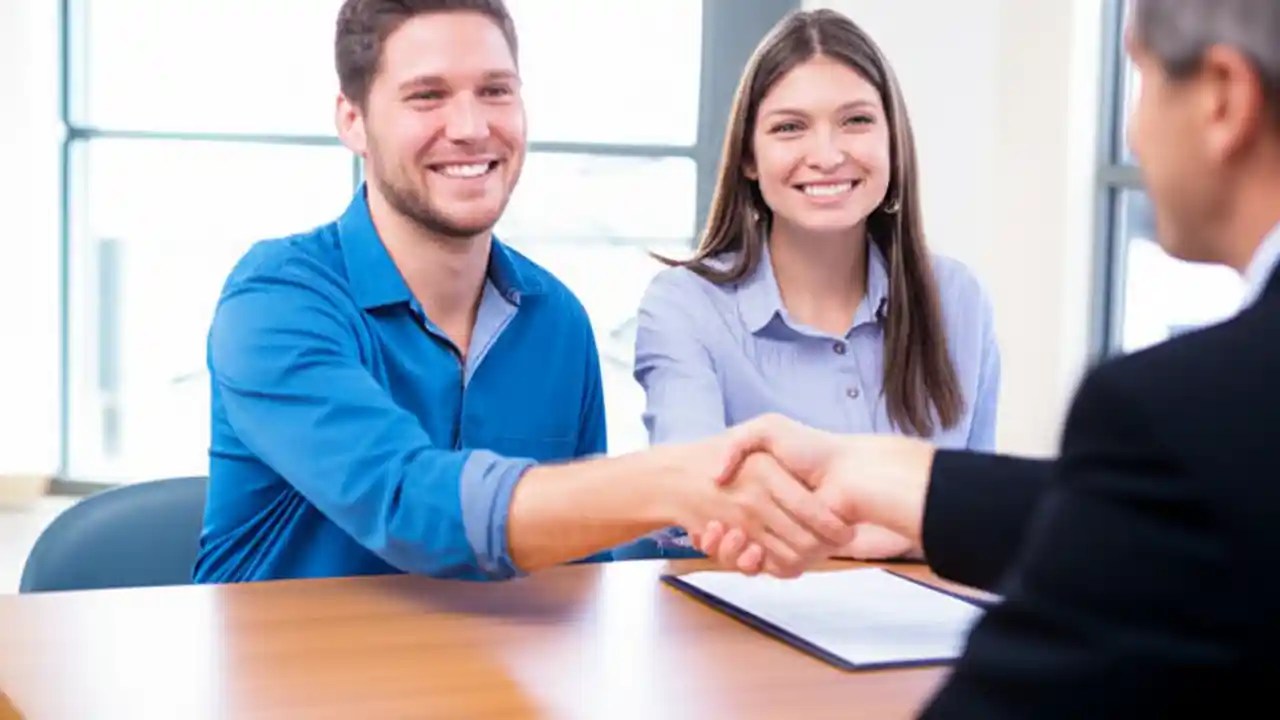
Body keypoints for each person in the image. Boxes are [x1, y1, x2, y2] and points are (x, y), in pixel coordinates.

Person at [700, 0, 1280, 714]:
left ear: (1223, 97)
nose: (1131, 129)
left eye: (1143, 80)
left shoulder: (1172, 413)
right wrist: (911, 485)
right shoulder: (1206, 433)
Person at [194, 0, 853, 584]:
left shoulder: (555, 319)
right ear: (354, 121)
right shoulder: (276, 301)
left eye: (495, 91)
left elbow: (577, 577)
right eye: (427, 96)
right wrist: (679, 482)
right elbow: (406, 503)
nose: (471, 127)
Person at [627, 8, 999, 560]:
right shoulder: (685, 306)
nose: (826, 156)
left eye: (855, 121)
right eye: (789, 127)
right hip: (736, 634)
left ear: (893, 140)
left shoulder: (955, 298)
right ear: (749, 157)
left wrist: (942, 525)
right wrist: (916, 528)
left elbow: (980, 515)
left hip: (918, 637)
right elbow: (698, 507)